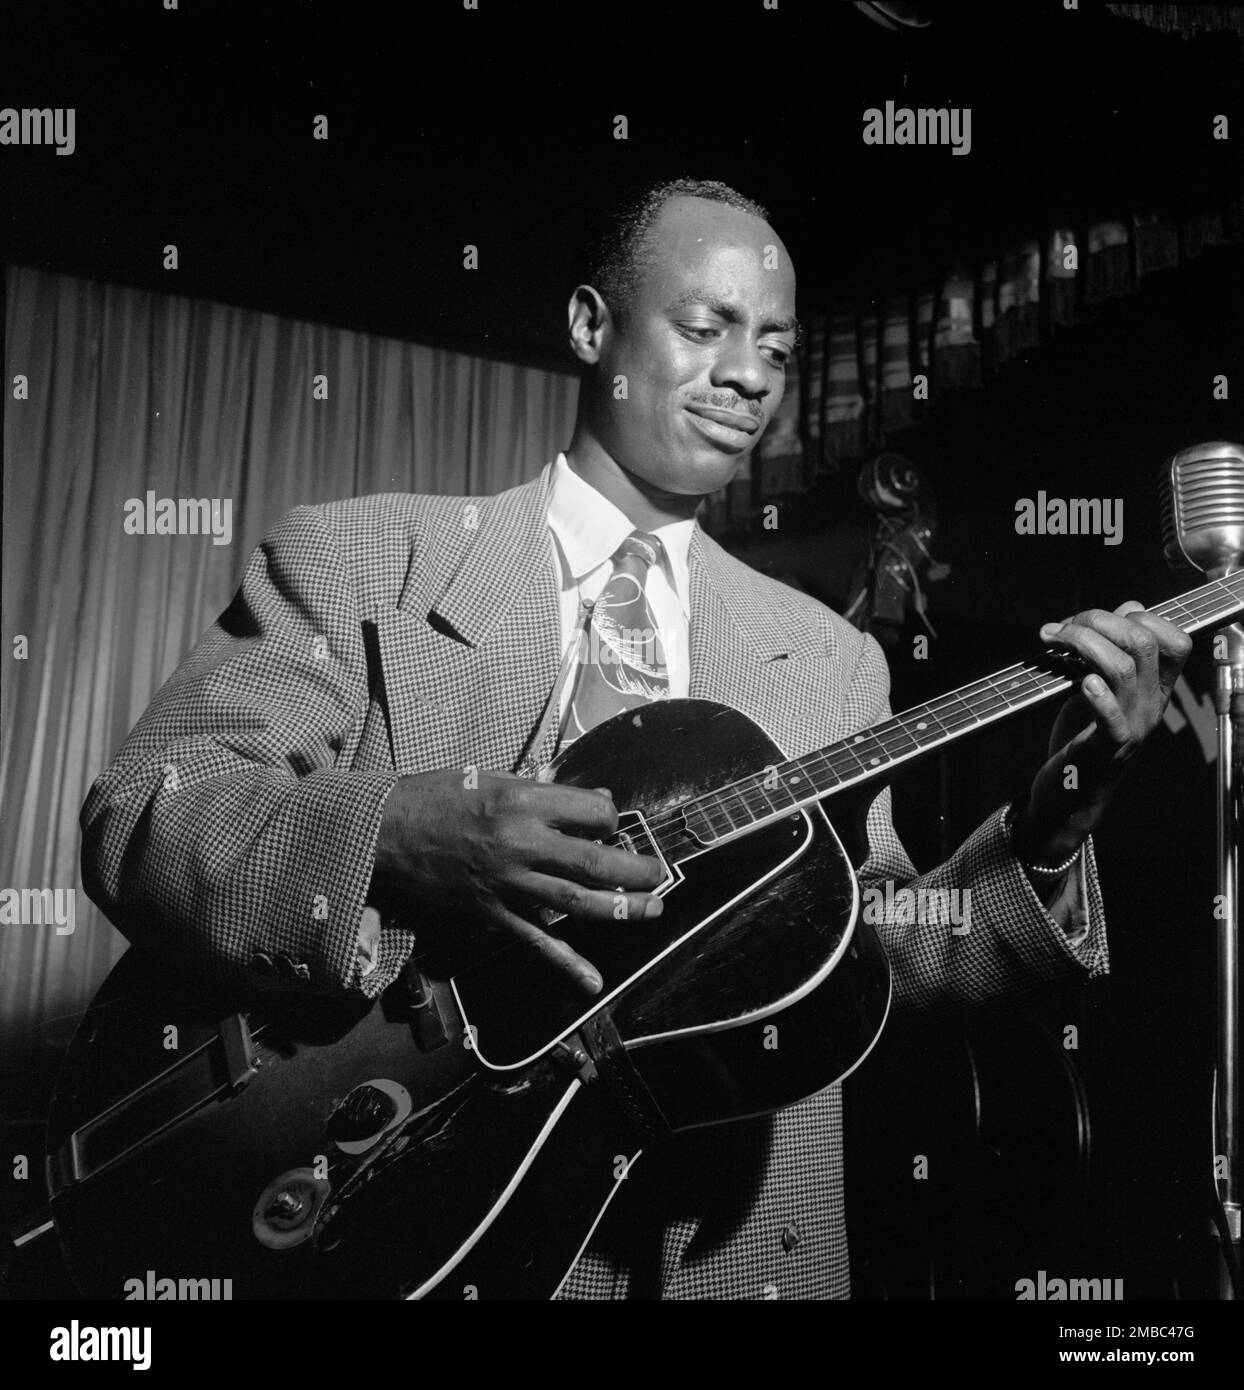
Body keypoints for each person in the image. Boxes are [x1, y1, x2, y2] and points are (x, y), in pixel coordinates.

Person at [80, 177, 1191, 1300]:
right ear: (587, 327)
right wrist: (396, 834)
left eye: (777, 347)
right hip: (407, 1224)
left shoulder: (831, 658)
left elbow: (880, 954)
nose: (749, 374)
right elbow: (148, 808)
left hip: (733, 1262)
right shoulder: (363, 560)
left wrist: (1059, 812)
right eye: (705, 327)